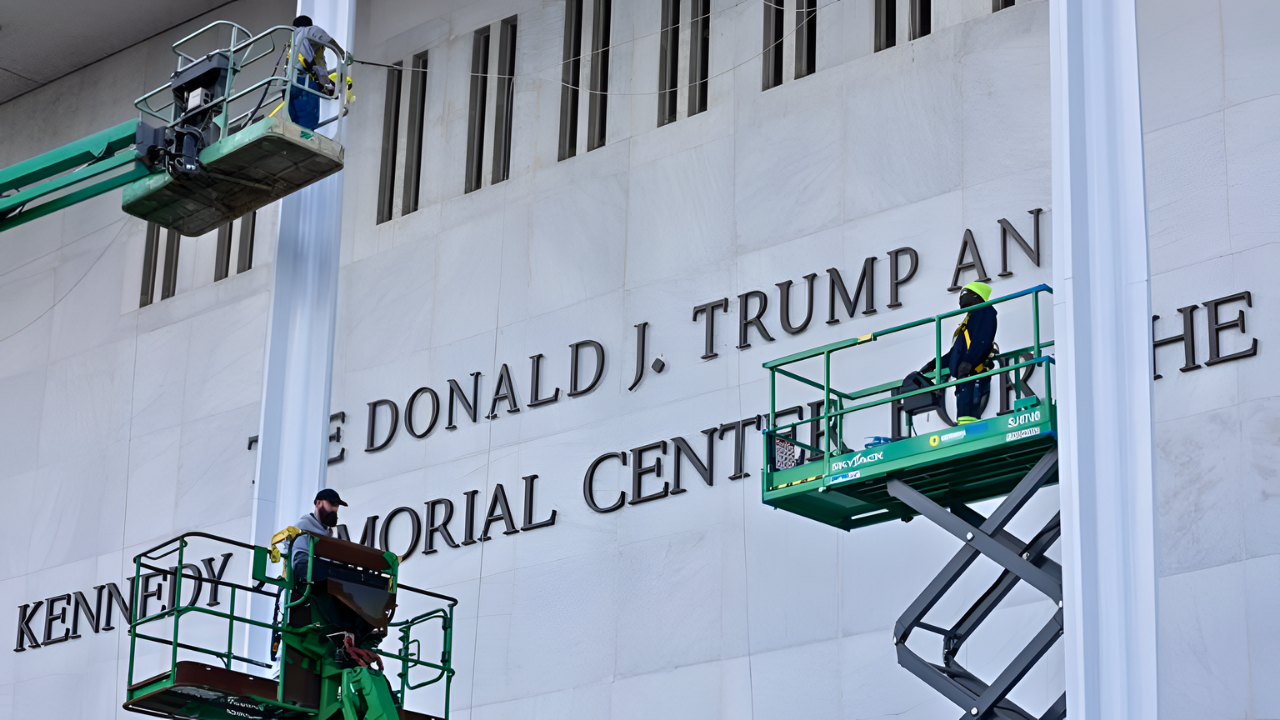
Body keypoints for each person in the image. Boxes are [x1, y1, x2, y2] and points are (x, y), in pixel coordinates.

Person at [920, 281, 998, 424]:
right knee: (963, 416)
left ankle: (971, 431)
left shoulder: (984, 311)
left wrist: (969, 362)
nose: (961, 298)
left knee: (969, 416)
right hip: (965, 379)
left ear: (977, 296)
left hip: (973, 375)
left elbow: (982, 341)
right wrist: (934, 364)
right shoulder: (969, 319)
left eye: (965, 294)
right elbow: (955, 352)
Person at [288, 15, 351, 130]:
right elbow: (329, 41)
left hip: (290, 82)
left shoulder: (294, 39)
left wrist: (325, 85)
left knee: (295, 116)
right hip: (304, 80)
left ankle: (296, 133)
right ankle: (305, 135)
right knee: (308, 117)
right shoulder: (311, 30)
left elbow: (314, 65)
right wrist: (342, 54)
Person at [291, 487, 346, 582]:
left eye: (337, 505)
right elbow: (300, 561)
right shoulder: (303, 526)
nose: (334, 509)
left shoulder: (327, 531)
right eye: (332, 503)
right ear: (318, 503)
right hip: (304, 581)